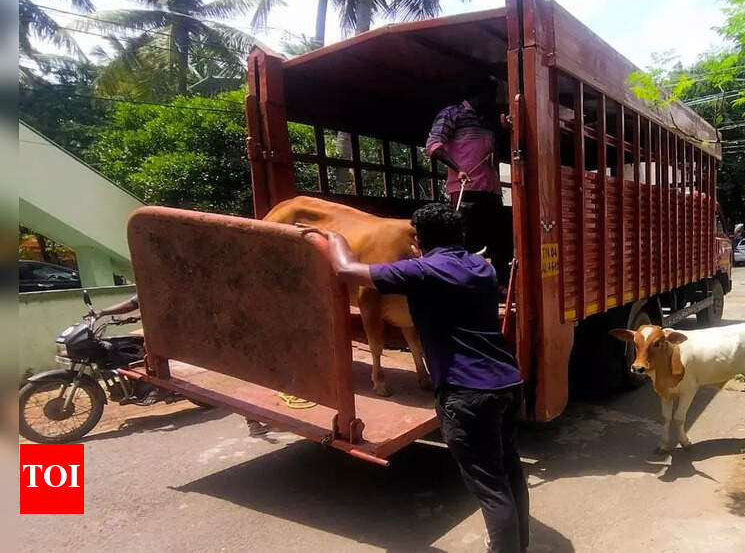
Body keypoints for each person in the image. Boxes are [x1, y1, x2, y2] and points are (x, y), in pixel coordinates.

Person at [308, 203, 529, 553]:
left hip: (466, 392)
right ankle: (519, 544)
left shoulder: (421, 271)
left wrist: (333, 236)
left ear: (418, 242)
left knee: (489, 487)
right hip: (508, 383)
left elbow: (346, 269)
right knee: (508, 467)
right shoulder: (483, 268)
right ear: (462, 236)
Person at [98, 294, 272, 436]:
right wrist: (119, 316)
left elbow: (134, 304)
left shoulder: (163, 280)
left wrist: (104, 312)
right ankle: (253, 419)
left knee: (248, 375)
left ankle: (162, 387)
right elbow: (137, 304)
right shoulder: (159, 281)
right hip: (188, 333)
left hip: (190, 334)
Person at [426, 76, 511, 284]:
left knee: (497, 238)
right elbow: (433, 145)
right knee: (467, 239)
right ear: (479, 95)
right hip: (466, 188)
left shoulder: (489, 121)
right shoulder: (452, 114)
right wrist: (459, 169)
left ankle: (497, 286)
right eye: (491, 96)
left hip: (491, 190)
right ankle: (465, 285)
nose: (493, 101)